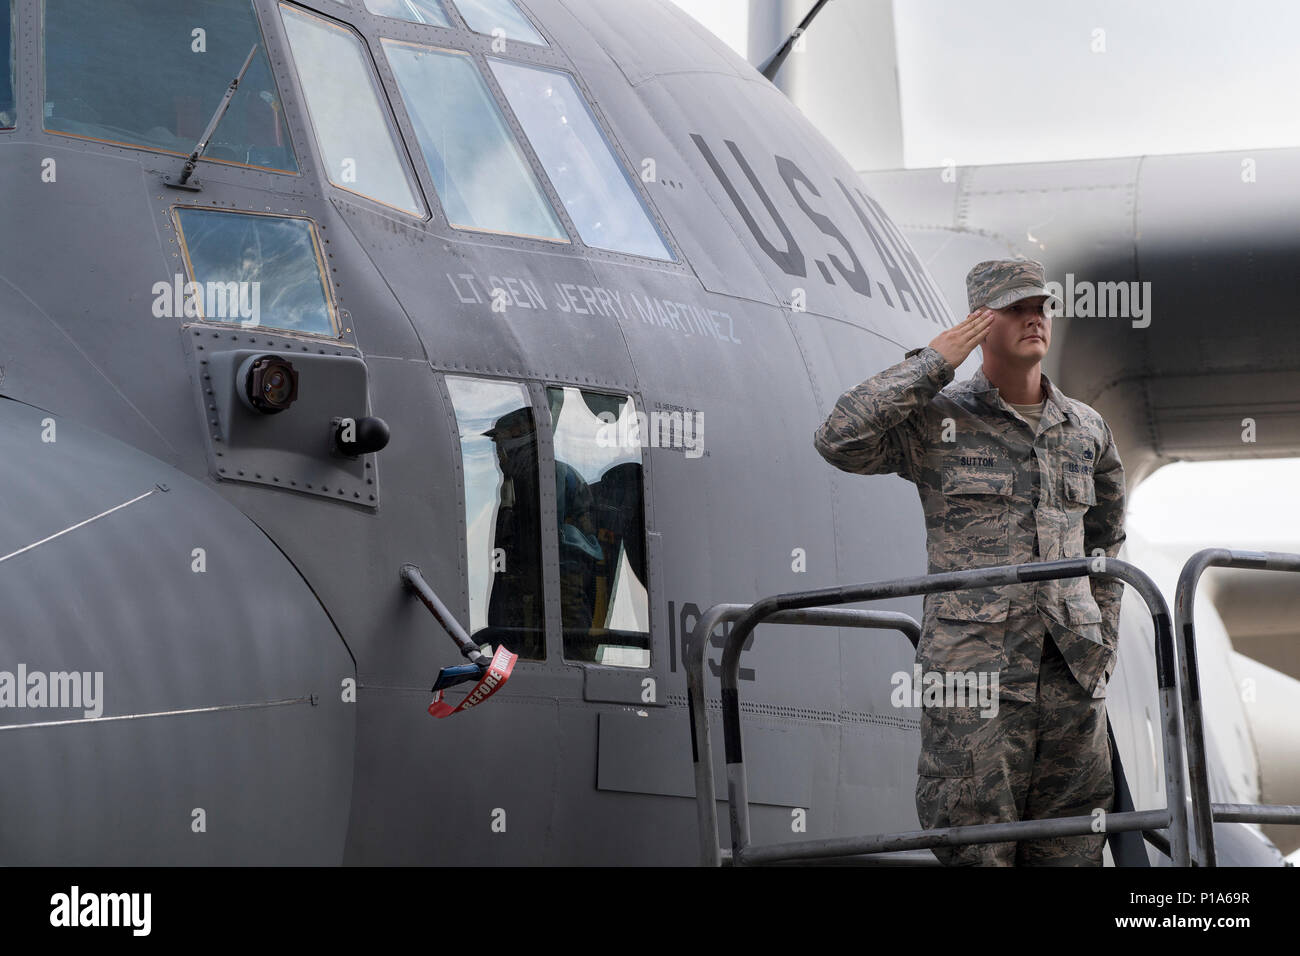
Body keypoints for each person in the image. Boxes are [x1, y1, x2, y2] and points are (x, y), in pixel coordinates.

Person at [812, 257, 1126, 865]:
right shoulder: (940, 421)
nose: (1034, 318)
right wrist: (933, 361)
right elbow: (839, 439)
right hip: (974, 679)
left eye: (1041, 307)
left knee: (1071, 852)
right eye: (1015, 308)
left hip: (1069, 677)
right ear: (980, 322)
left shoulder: (1085, 429)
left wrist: (1102, 635)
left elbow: (1106, 541)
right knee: (975, 848)